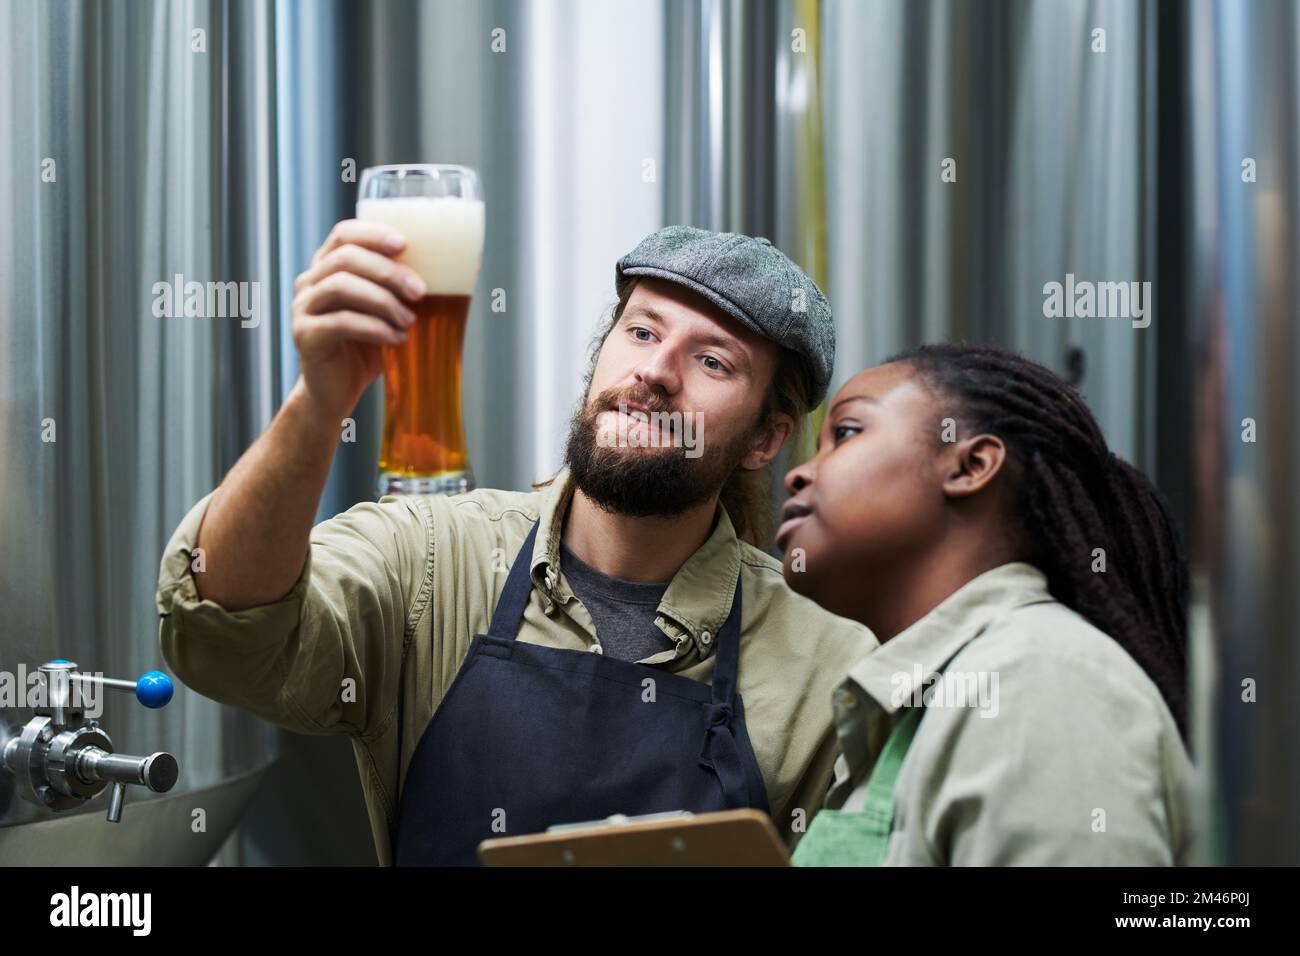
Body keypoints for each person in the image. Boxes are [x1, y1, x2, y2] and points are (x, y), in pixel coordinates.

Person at [155, 223, 874, 865]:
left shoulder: (827, 662)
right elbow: (223, 636)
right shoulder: (433, 556)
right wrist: (319, 400)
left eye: (712, 362)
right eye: (643, 332)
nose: (655, 373)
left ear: (765, 439)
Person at [779, 342, 1194, 865]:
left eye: (846, 433)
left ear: (971, 464)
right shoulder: (925, 707)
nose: (799, 474)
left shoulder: (1037, 676)